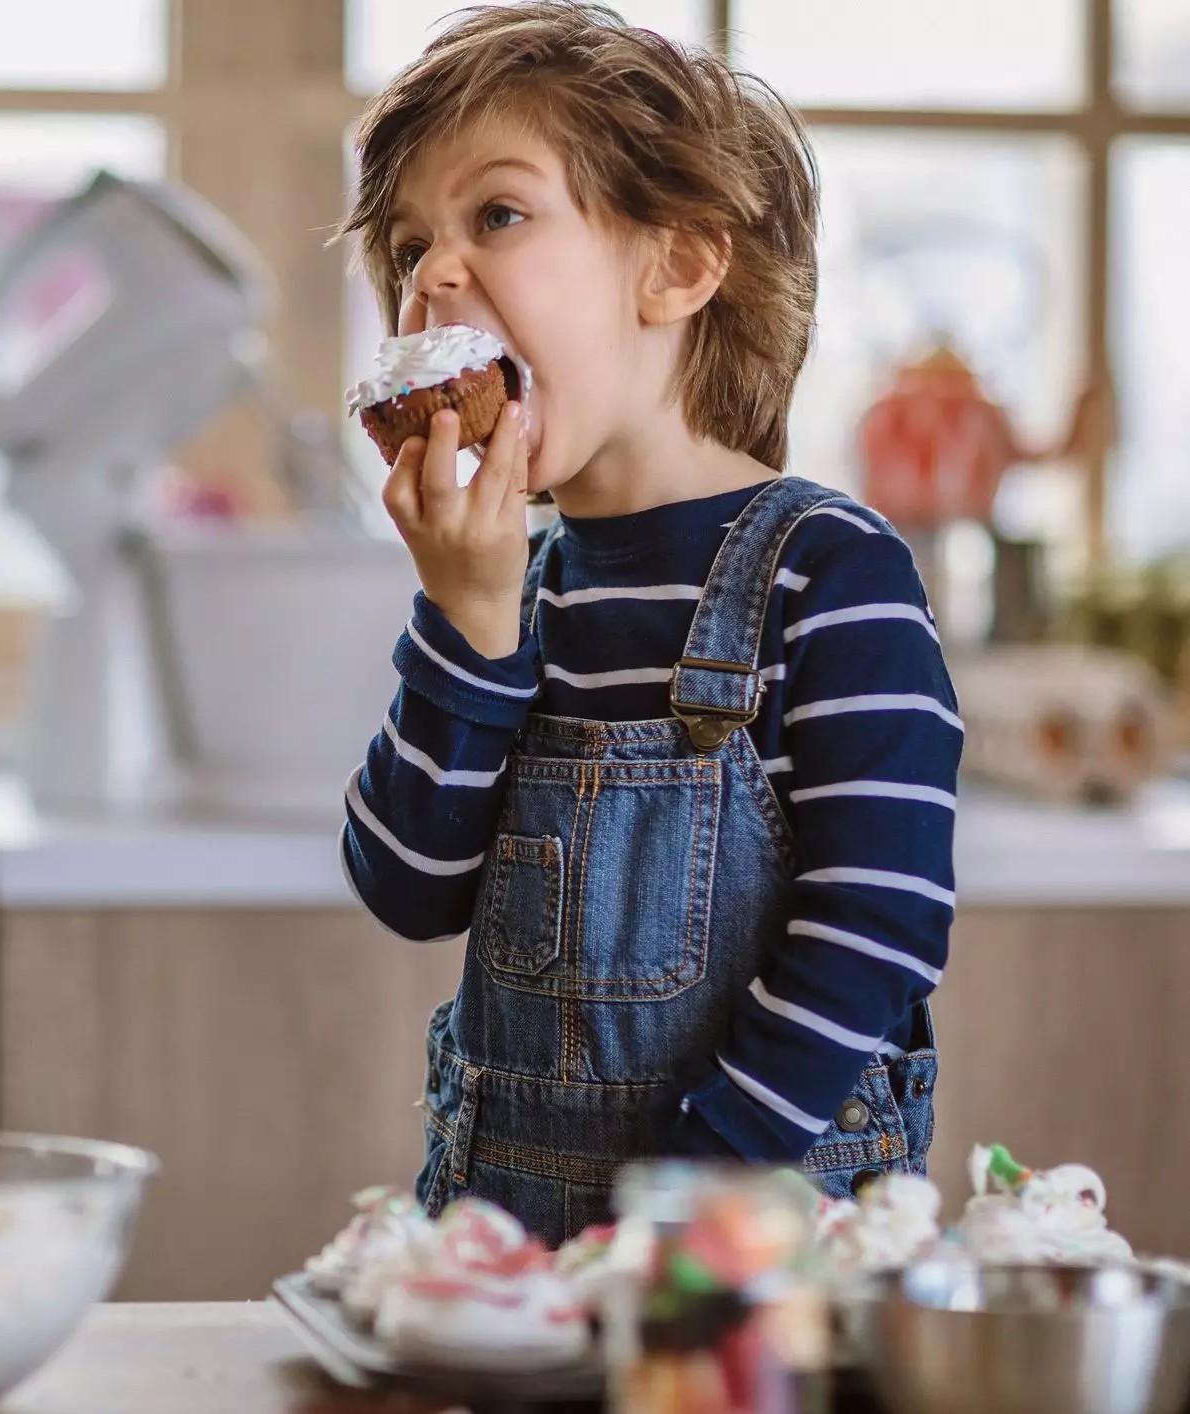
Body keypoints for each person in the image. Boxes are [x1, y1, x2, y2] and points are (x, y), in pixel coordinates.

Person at [339, 1, 959, 1245]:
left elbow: (880, 912)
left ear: (675, 266)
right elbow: (406, 886)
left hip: (750, 1248)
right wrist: (464, 625)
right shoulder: (518, 583)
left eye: (497, 215)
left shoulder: (829, 572)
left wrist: (698, 1186)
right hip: (506, 1238)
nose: (433, 278)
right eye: (409, 247)